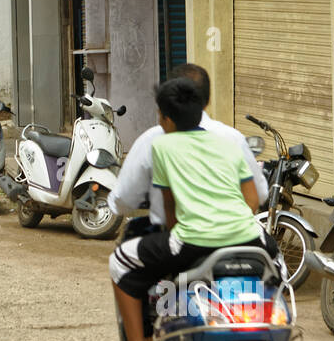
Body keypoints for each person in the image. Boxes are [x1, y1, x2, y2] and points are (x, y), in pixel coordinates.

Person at [100, 78, 275, 341]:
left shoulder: (162, 145)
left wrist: (188, 228)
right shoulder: (229, 142)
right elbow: (253, 201)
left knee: (120, 261)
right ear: (202, 108)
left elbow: (171, 208)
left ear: (166, 118)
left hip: (193, 241)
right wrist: (228, 222)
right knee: (276, 268)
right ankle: (285, 339)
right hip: (250, 237)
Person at [109, 62, 267, 233]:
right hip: (235, 237)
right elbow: (257, 196)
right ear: (206, 101)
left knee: (123, 255)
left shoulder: (156, 143)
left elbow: (129, 198)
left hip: (182, 239)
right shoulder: (232, 140)